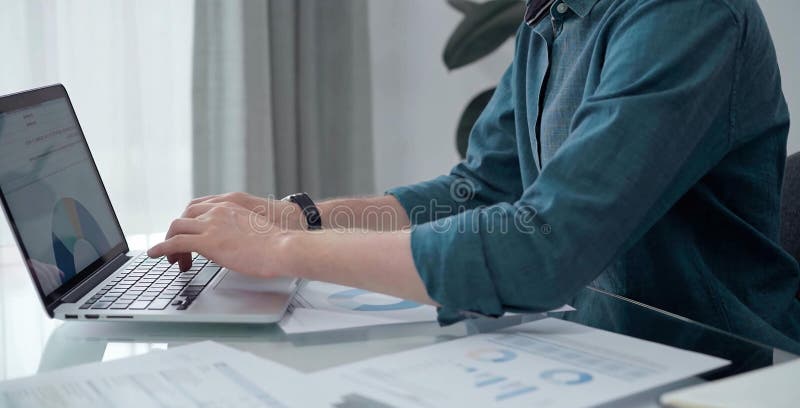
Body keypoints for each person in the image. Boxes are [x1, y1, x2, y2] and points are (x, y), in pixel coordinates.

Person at [149, 0, 800, 352]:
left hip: (722, 377)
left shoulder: (685, 16)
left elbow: (543, 246)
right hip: (598, 356)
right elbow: (479, 189)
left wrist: (284, 251)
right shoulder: (554, 17)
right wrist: (303, 217)